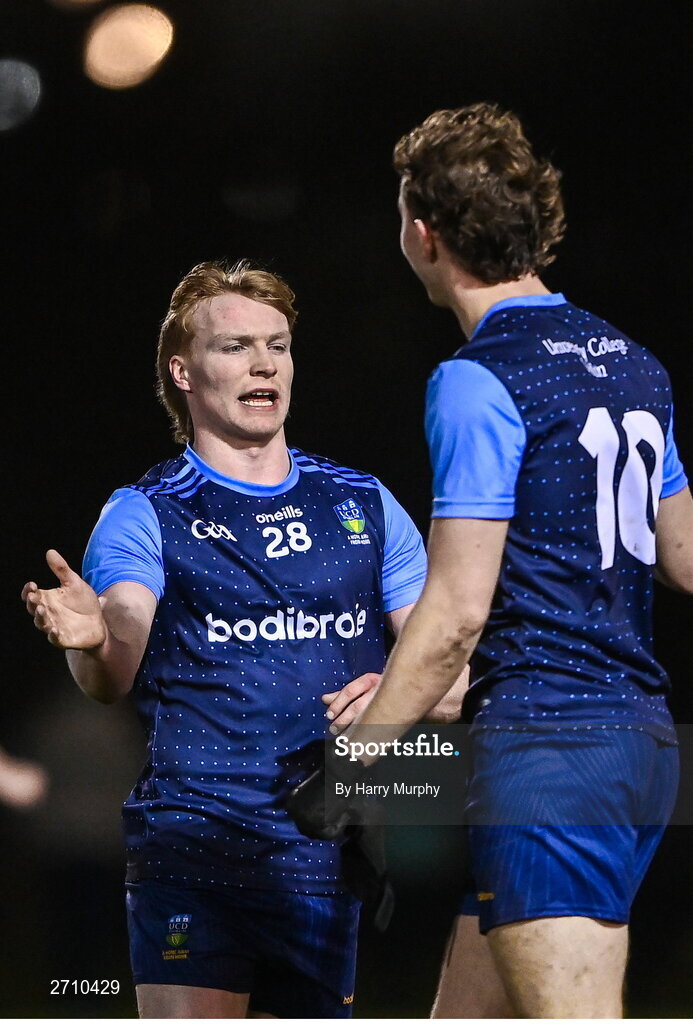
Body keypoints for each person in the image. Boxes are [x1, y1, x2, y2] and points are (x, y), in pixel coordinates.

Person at [288, 104, 693, 1018]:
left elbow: (453, 619)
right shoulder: (631, 363)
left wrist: (356, 763)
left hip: (550, 751)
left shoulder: (477, 377)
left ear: (423, 232)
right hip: (638, 743)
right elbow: (690, 561)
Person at [21, 259, 460, 1019]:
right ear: (183, 372)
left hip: (323, 852)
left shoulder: (365, 504)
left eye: (278, 345)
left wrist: (399, 695)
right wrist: (91, 639)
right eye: (235, 347)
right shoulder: (145, 511)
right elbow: (114, 664)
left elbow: (449, 684)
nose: (263, 363)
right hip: (194, 849)